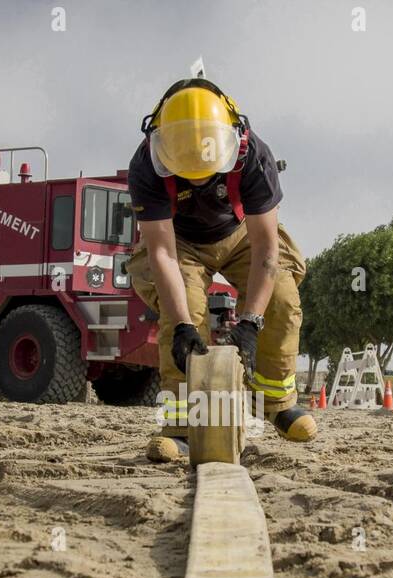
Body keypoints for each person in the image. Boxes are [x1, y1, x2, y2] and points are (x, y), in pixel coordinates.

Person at [125, 77, 315, 462]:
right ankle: (179, 426)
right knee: (185, 315)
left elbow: (266, 248)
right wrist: (180, 326)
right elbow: (161, 253)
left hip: (242, 235)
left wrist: (250, 324)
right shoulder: (146, 165)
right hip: (181, 242)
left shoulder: (255, 157)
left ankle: (277, 403)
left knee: (279, 297)